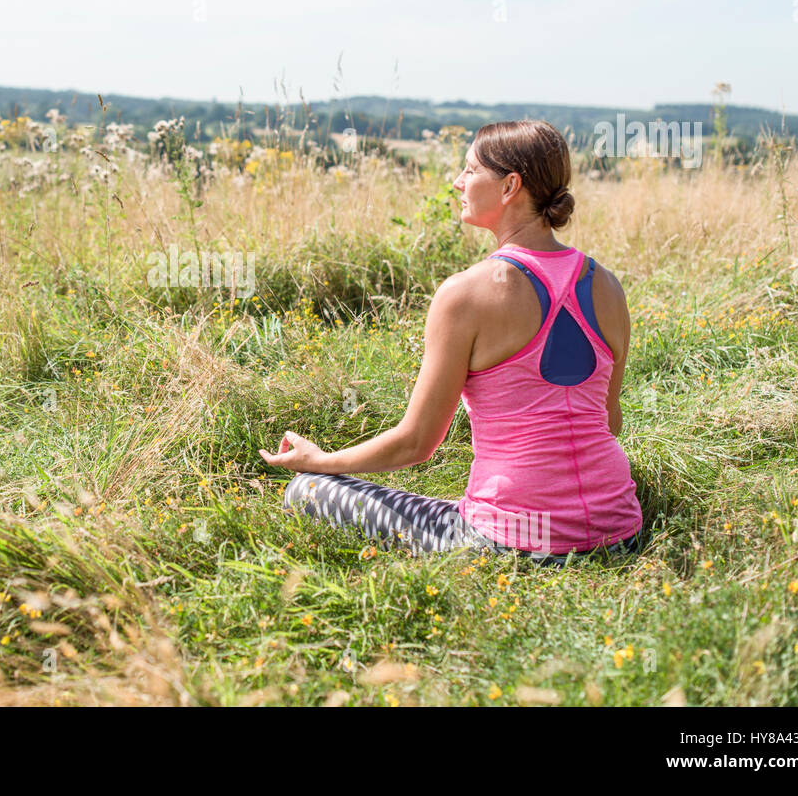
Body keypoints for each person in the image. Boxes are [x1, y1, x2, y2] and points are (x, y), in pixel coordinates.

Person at [260, 119, 644, 567]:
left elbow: (416, 443)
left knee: (307, 490)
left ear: (509, 186)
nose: (457, 182)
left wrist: (320, 460)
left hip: (514, 542)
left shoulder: (465, 294)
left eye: (470, 170)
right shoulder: (608, 287)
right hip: (620, 532)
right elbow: (609, 423)